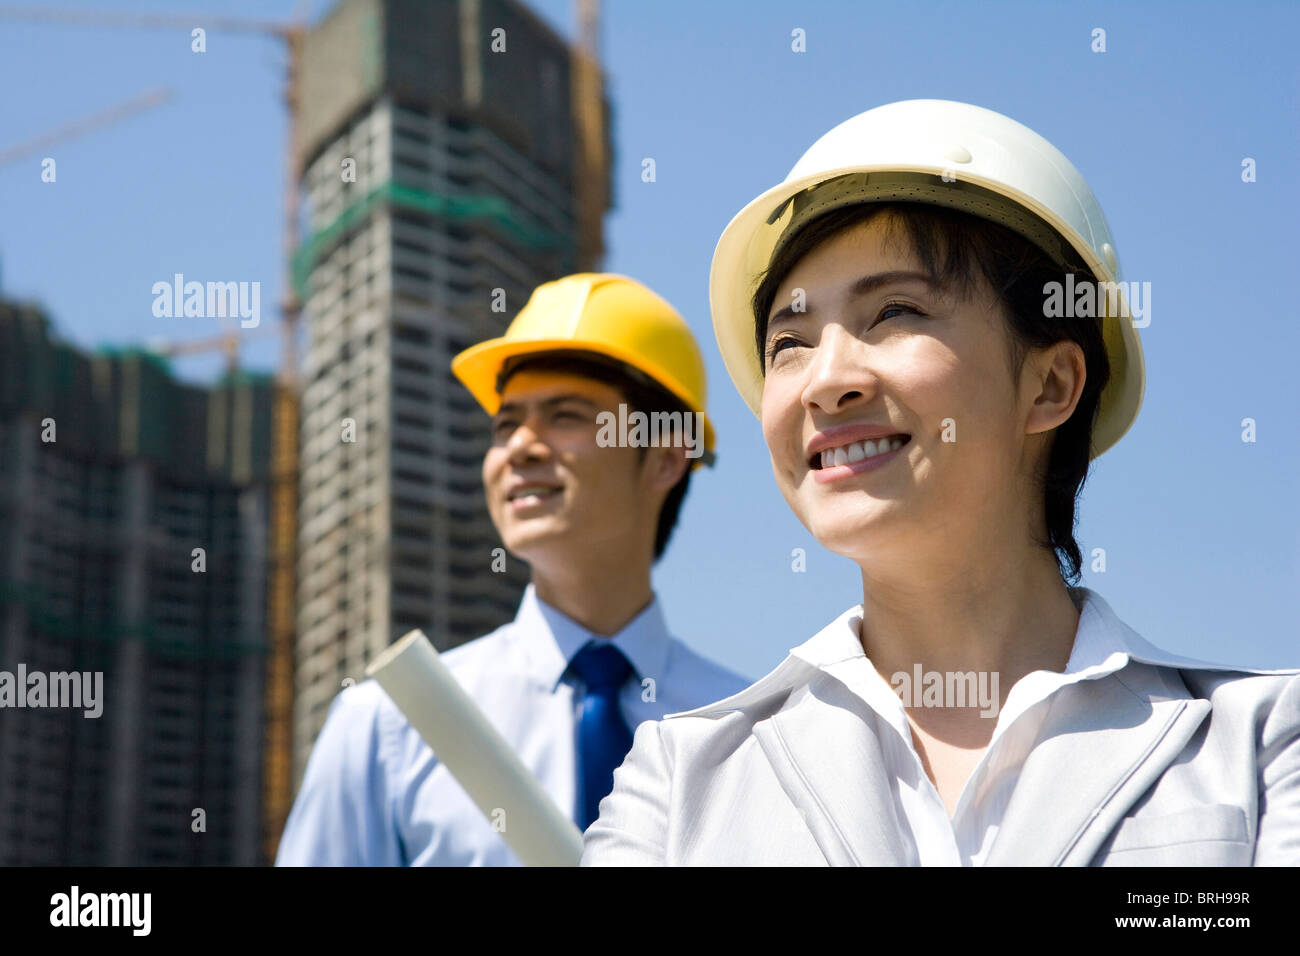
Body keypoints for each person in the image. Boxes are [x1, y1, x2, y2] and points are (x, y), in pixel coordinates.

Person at [581, 100, 1300, 866]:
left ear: (1051, 384)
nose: (825, 381)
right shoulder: (678, 783)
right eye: (788, 342)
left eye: (893, 312)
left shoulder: (1262, 748)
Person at [276, 273, 748, 866]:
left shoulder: (751, 732)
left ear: (664, 457)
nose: (520, 447)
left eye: (567, 416)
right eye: (505, 425)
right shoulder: (388, 728)